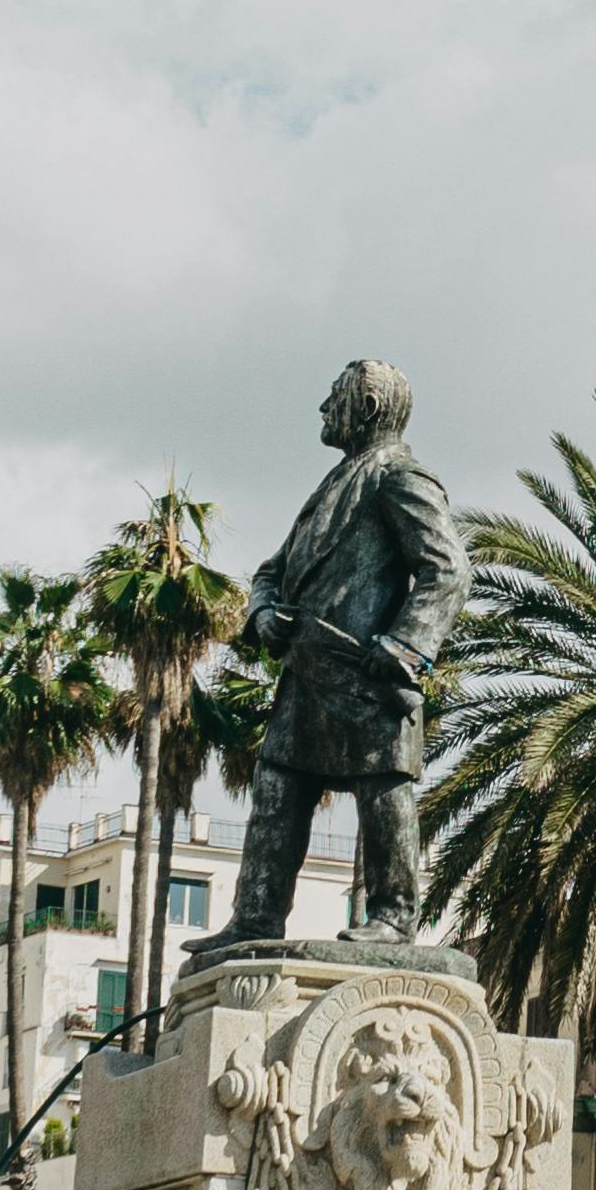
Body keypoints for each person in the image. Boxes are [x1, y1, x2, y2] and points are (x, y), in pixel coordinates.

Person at [223, 359, 472, 943]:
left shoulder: (399, 477)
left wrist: (408, 643)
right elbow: (271, 569)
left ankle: (393, 917)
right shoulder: (333, 483)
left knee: (382, 791)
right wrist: (263, 613)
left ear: (363, 408)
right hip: (304, 671)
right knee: (276, 792)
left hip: (363, 674)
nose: (322, 408)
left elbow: (449, 569)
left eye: (333, 396)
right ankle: (254, 918)